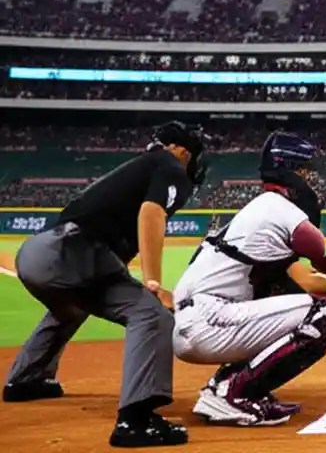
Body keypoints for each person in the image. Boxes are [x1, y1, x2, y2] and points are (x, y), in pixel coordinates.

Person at [172, 131, 326, 426]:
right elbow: (311, 281)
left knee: (280, 295)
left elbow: (304, 272)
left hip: (202, 320)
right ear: (289, 171)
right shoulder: (281, 211)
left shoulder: (264, 208)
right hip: (210, 321)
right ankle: (233, 395)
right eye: (305, 170)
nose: (311, 179)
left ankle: (226, 386)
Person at [4, 121, 209, 448]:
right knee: (152, 315)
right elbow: (151, 213)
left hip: (37, 252)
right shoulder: (170, 165)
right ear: (184, 151)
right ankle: (136, 420)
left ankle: (26, 380)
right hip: (73, 253)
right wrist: (153, 282)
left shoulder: (137, 167)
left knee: (71, 309)